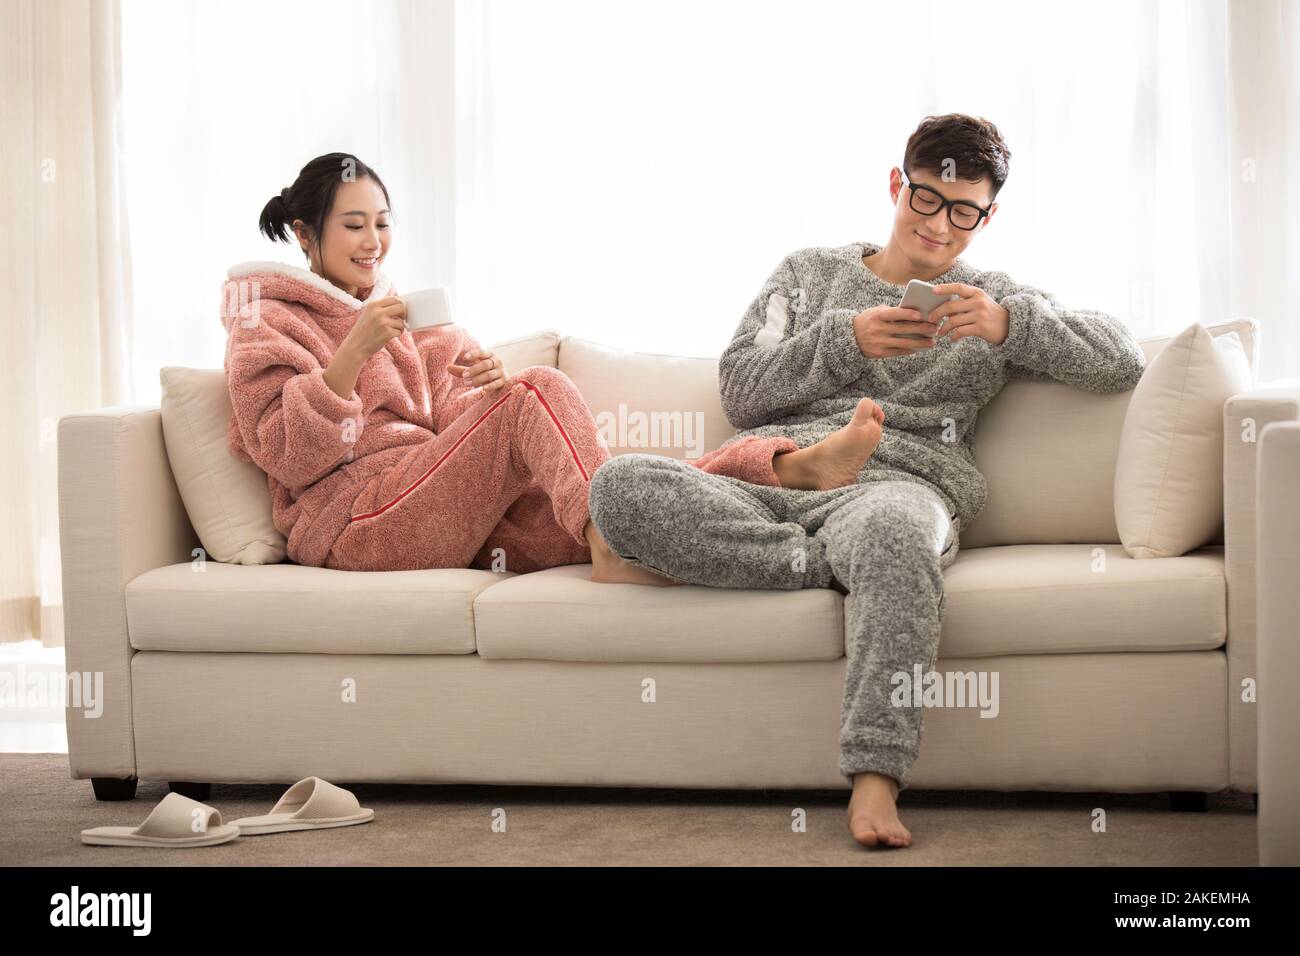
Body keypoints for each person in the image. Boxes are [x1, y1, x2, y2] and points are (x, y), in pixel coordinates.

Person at [585, 114, 1148, 848]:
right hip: (770, 474)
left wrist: (1011, 326)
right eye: (925, 198)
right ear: (897, 184)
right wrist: (842, 341)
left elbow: (1122, 359)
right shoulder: (807, 274)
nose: (940, 225)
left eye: (964, 211)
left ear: (987, 215)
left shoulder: (991, 298)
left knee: (894, 536)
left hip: (899, 484)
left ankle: (876, 782)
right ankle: (828, 523)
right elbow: (740, 389)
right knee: (621, 485)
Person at [221, 152, 883, 580]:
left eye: (383, 224)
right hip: (354, 521)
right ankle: (607, 541)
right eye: (353, 226)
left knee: (625, 481)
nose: (374, 243)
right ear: (306, 235)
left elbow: (451, 426)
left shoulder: (399, 309)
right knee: (539, 390)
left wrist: (475, 390)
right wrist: (352, 353)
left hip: (434, 503)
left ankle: (784, 471)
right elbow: (284, 451)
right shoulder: (265, 317)